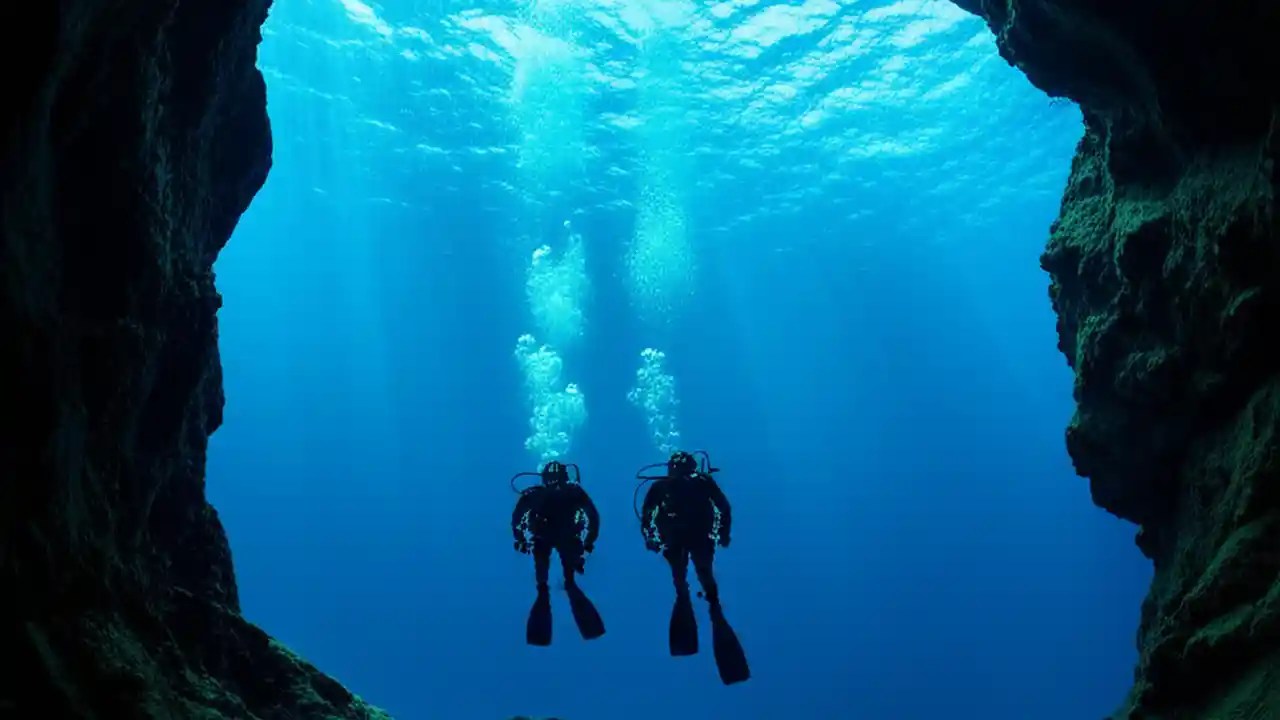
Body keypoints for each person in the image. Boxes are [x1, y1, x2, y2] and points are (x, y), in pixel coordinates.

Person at [635, 450, 750, 684]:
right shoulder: (694, 483)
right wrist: (723, 534)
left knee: (688, 577)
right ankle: (710, 604)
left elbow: (647, 517)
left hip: (683, 539)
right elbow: (724, 508)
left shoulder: (666, 486)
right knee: (700, 575)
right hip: (691, 538)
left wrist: (651, 539)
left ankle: (697, 599)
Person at [511, 460, 605, 646]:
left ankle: (544, 591)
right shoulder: (575, 492)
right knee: (569, 577)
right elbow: (593, 517)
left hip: (543, 538)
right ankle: (567, 586)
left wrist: (521, 540)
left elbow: (517, 518)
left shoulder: (534, 494)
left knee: (542, 580)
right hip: (568, 538)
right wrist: (588, 543)